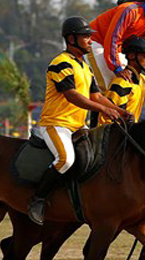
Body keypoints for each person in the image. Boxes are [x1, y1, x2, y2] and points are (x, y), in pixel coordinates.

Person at [29, 17, 130, 225]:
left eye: (90, 37)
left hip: (77, 126)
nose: (90, 41)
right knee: (65, 159)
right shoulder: (60, 63)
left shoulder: (85, 66)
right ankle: (37, 200)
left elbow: (96, 96)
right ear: (72, 38)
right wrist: (103, 109)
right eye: (86, 37)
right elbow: (71, 95)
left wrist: (118, 111)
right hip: (56, 124)